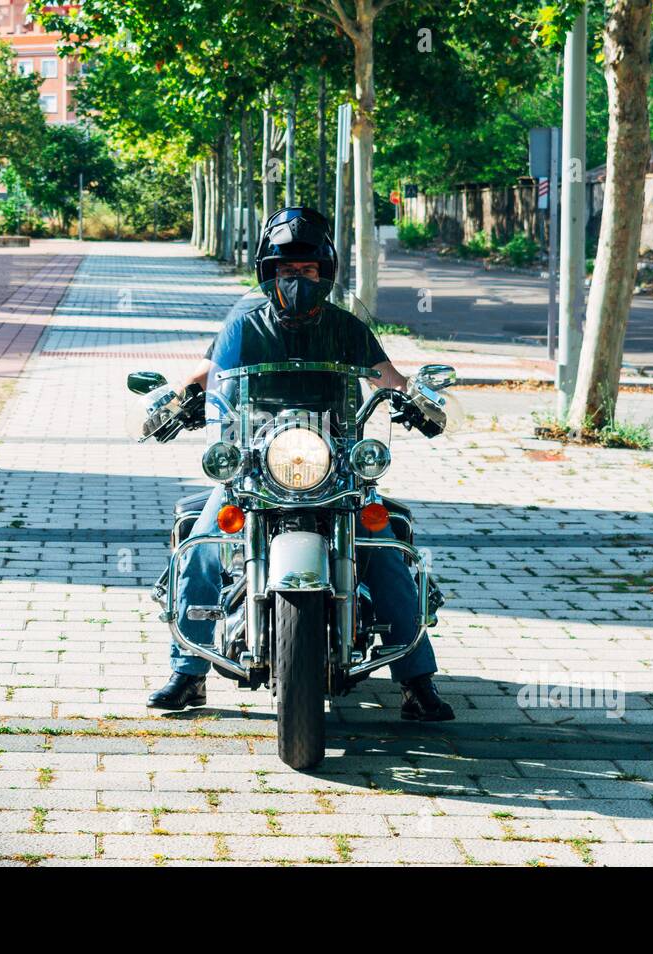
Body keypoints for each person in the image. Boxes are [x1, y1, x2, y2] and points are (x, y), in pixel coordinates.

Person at [146, 206, 454, 722]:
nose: (297, 280)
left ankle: (417, 680)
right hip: (256, 461)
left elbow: (387, 376)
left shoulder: (346, 327)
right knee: (201, 546)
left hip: (334, 461)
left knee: (385, 551)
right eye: (287, 271)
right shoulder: (242, 327)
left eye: (308, 271)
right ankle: (187, 671)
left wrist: (415, 399)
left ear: (325, 274)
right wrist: (175, 401)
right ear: (270, 273)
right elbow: (206, 373)